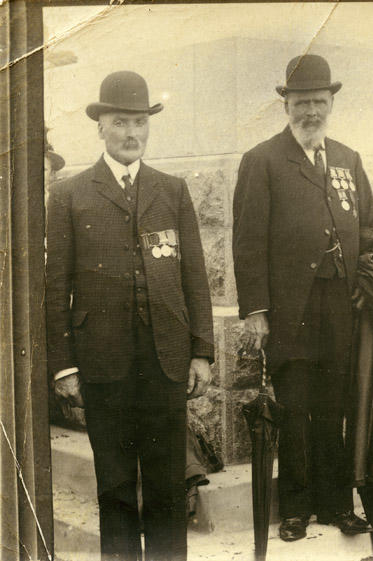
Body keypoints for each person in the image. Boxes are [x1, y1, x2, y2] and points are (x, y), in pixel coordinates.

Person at [45, 71, 214, 561]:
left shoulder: (173, 190)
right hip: (103, 366)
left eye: (139, 122)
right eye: (120, 122)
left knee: (167, 486)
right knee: (116, 486)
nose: (131, 133)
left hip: (165, 361)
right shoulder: (71, 195)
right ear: (100, 126)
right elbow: (57, 289)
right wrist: (64, 364)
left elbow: (195, 277)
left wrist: (201, 351)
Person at [232, 54, 373, 542]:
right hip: (291, 311)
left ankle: (337, 503)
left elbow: (370, 221)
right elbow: (248, 240)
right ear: (286, 106)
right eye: (301, 102)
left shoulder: (347, 158)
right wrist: (255, 310)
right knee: (294, 409)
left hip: (342, 306)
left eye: (318, 101)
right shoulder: (263, 160)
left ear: (331, 102)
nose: (310, 111)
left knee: (335, 407)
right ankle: (295, 508)